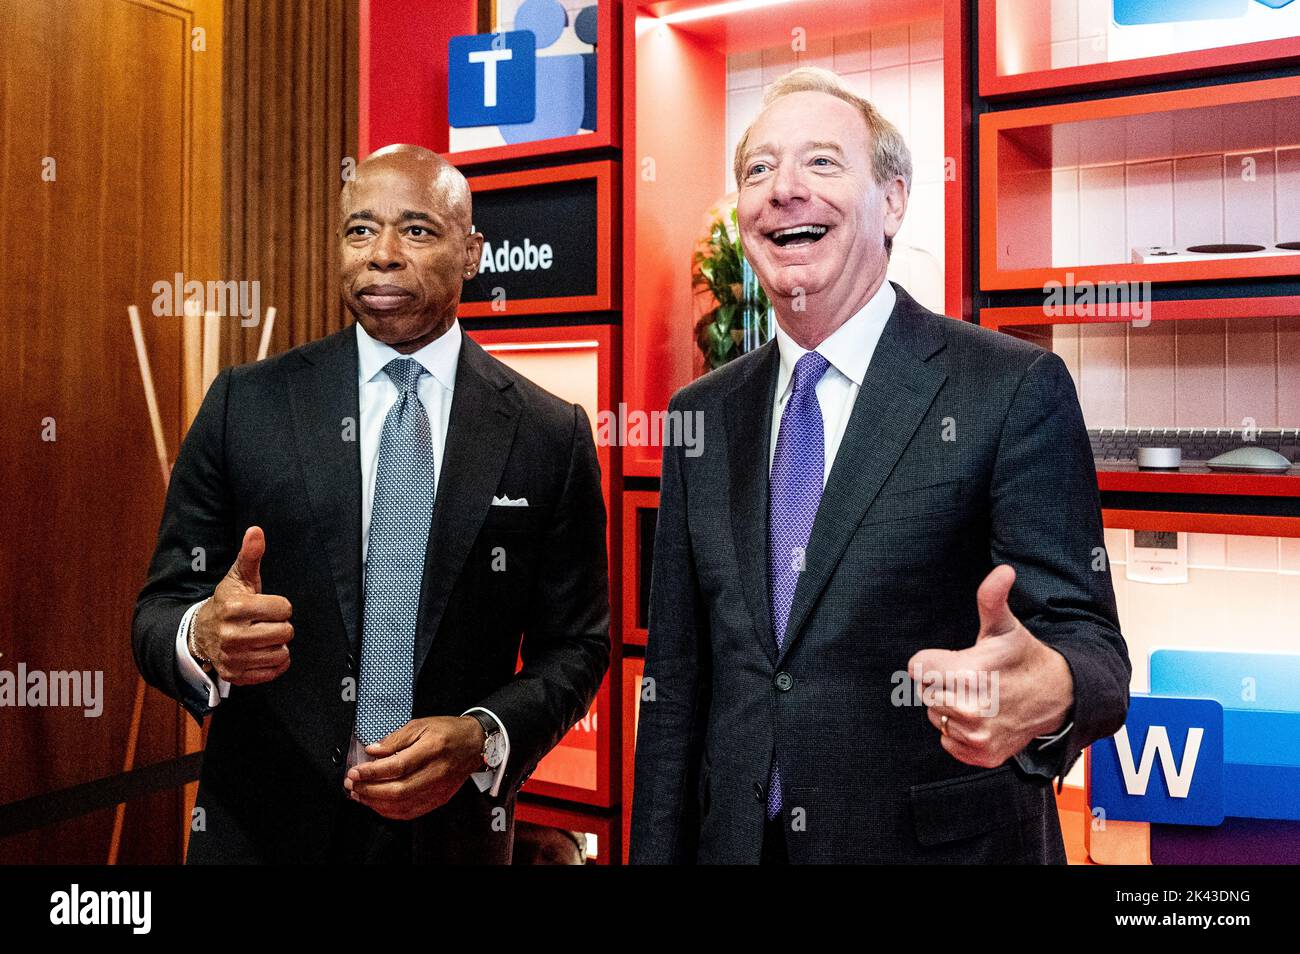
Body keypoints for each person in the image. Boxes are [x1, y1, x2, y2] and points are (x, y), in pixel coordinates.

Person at [629, 68, 1129, 864]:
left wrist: (1049, 688)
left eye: (822, 163)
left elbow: (1094, 647)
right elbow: (674, 689)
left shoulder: (1010, 387)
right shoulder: (701, 414)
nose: (783, 189)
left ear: (892, 200)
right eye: (758, 170)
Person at [133, 144, 610, 864]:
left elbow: (578, 644)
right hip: (260, 834)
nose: (382, 255)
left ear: (473, 252)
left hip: (448, 839)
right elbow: (158, 611)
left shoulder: (549, 433)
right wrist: (201, 634)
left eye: (416, 230)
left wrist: (482, 735)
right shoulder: (247, 404)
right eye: (360, 230)